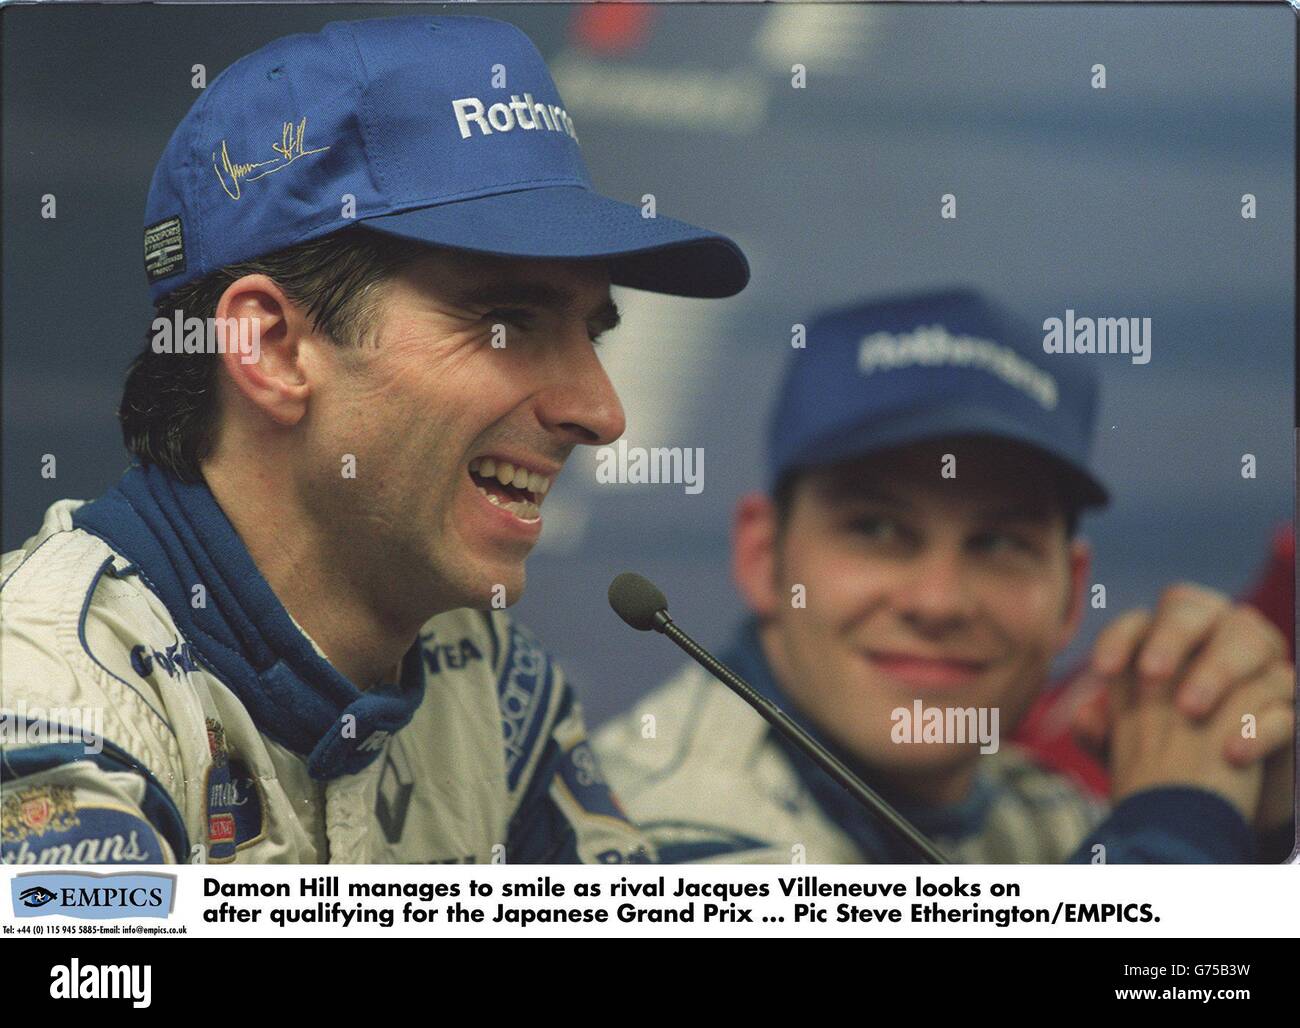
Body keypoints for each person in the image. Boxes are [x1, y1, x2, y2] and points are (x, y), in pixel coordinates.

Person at [0, 15, 749, 864]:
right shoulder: (48, 698)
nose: (602, 413)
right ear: (272, 349)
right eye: (508, 321)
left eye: (592, 333)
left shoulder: (493, 680)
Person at [594, 289, 1294, 863]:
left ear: (1071, 595)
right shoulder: (660, 835)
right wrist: (1182, 822)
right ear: (762, 557)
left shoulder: (1032, 809)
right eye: (877, 530)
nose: (939, 600)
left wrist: (1254, 827)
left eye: (998, 542)